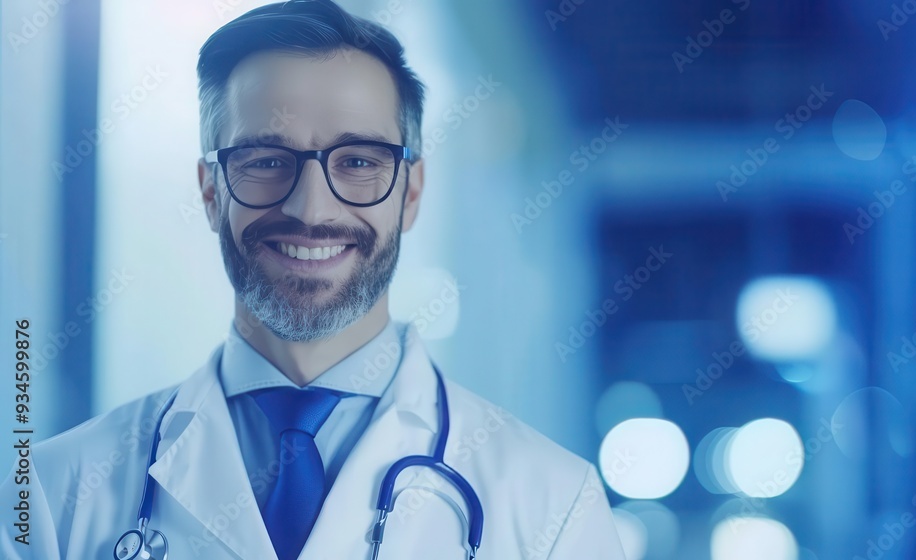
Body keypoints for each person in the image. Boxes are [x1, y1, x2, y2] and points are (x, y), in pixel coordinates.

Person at [0, 1, 626, 558]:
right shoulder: (54, 495)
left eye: (357, 161)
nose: (311, 208)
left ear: (410, 193)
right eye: (265, 160)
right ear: (211, 191)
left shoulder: (554, 507)